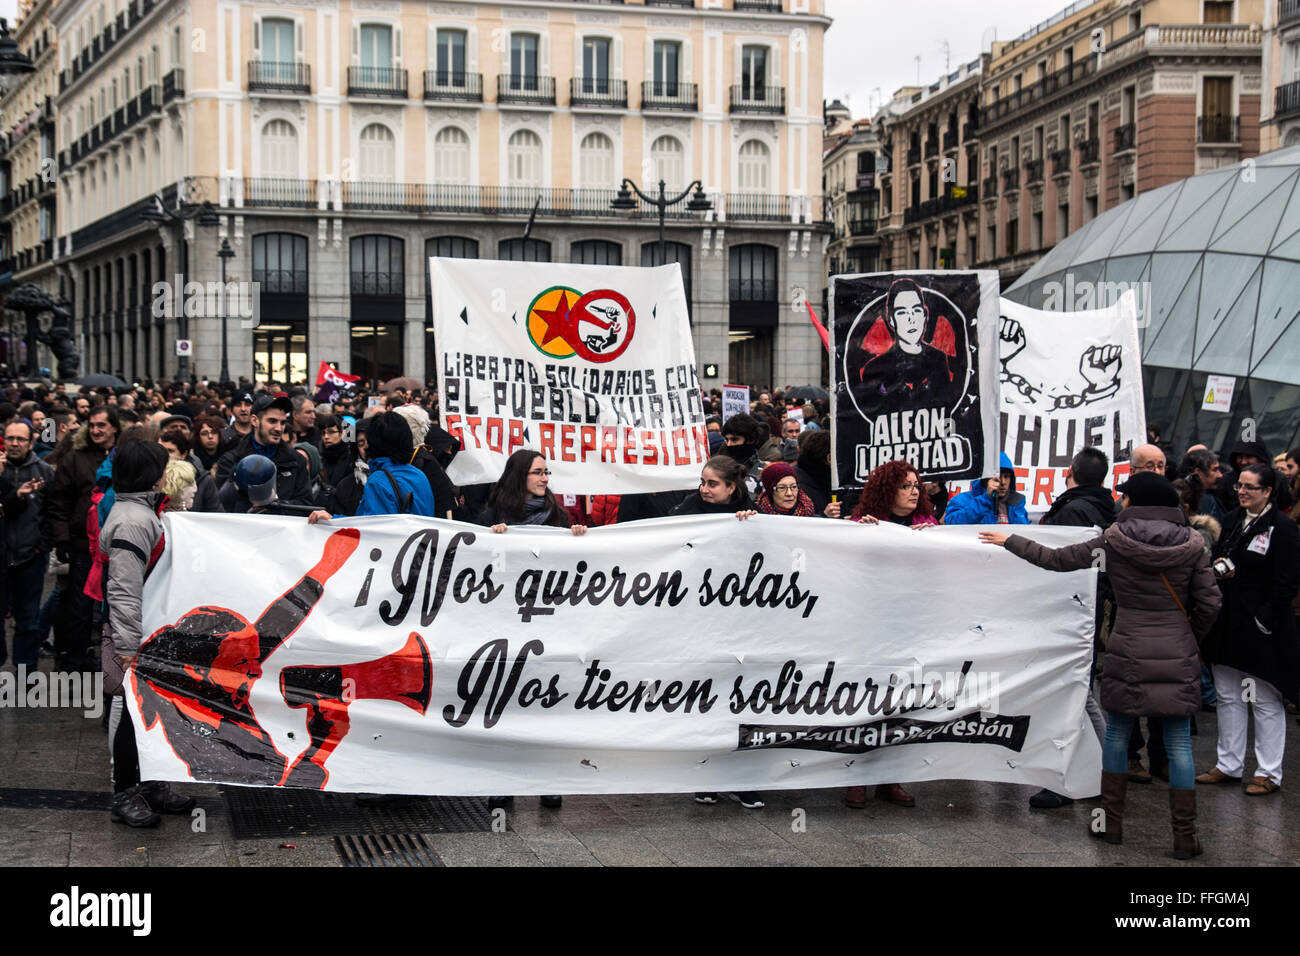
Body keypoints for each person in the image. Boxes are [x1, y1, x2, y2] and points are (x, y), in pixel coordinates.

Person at [980, 472, 1220, 858]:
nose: (1120, 503)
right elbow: (1210, 604)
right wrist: (1189, 637)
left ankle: (1110, 825)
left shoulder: (1115, 541)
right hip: (1178, 649)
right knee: (1178, 744)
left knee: (1118, 736)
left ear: (1137, 503)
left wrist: (1010, 539)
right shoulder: (1193, 544)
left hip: (1128, 649)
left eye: (1126, 498)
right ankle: (1185, 837)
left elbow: (1057, 560)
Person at [476, 448, 587, 813]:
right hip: (507, 621)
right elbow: (477, 570)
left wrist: (578, 538)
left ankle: (547, 781)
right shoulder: (493, 514)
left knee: (546, 704)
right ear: (519, 475)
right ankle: (502, 781)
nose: (544, 479)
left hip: (549, 621)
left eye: (547, 472)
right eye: (538, 472)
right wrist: (493, 543)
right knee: (506, 703)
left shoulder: (557, 515)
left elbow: (573, 567)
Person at [101, 440, 196, 826]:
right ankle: (125, 793)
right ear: (150, 474)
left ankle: (151, 784)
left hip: (144, 632)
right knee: (128, 713)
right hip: (132, 636)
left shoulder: (139, 512)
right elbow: (123, 587)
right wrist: (126, 647)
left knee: (152, 710)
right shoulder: (132, 520)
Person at [1198, 463, 1300, 796]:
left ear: (1268, 491)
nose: (1241, 491)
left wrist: (1264, 619)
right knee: (1228, 695)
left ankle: (1268, 772)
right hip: (1228, 623)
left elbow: (1287, 581)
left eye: (1249, 487)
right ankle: (1228, 765)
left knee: (1264, 699)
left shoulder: (1282, 527)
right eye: (1239, 486)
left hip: (1261, 628)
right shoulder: (1230, 520)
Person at [1025, 446, 1114, 808]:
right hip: (1083, 610)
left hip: (1069, 612)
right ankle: (1101, 768)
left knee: (1077, 691)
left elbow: (1063, 563)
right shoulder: (1103, 506)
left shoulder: (1075, 510)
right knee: (1079, 689)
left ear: (1070, 472)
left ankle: (1102, 768)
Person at [844, 459, 933, 809]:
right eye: (905, 486)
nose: (913, 491)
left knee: (899, 702)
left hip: (909, 626)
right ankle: (856, 776)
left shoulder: (928, 526)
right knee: (865, 701)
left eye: (916, 485)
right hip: (868, 627)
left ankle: (889, 777)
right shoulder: (861, 525)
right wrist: (861, 538)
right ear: (886, 490)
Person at [44, 406, 118, 670]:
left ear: (114, 428)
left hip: (115, 543)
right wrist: (61, 539)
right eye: (93, 425)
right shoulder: (74, 459)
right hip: (82, 544)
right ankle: (73, 663)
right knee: (79, 606)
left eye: (102, 425)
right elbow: (59, 502)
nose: (96, 430)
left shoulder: (121, 456)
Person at [308, 412, 435, 520]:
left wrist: (333, 520)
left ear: (375, 443)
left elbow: (372, 530)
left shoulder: (378, 480)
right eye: (360, 443)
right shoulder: (418, 474)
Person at [855, 276, 955, 412]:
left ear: (925, 316)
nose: (911, 319)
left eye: (916, 310)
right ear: (891, 320)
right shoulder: (876, 367)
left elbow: (948, 406)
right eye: (902, 312)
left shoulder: (938, 359)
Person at [1, 420, 55, 672]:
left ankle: (26, 671)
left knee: (28, 620)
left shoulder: (43, 470)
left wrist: (40, 547)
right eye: (10, 438)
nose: (14, 443)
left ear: (31, 442)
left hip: (29, 557)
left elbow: (51, 513)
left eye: (20, 439)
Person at [214, 395, 311, 505]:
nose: (279, 428)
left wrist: (277, 505)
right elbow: (221, 506)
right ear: (254, 421)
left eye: (283, 423)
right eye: (272, 421)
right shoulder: (231, 460)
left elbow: (305, 503)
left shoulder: (296, 461)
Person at [942, 453, 1029, 525]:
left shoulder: (1017, 503)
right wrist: (985, 499)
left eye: (1006, 476)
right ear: (985, 478)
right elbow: (951, 523)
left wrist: (1017, 508)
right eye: (997, 476)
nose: (1003, 482)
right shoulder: (962, 500)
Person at [719, 413, 765, 498]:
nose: (729, 444)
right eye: (727, 440)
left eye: (734, 440)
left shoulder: (764, 472)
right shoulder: (718, 468)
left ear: (750, 440)